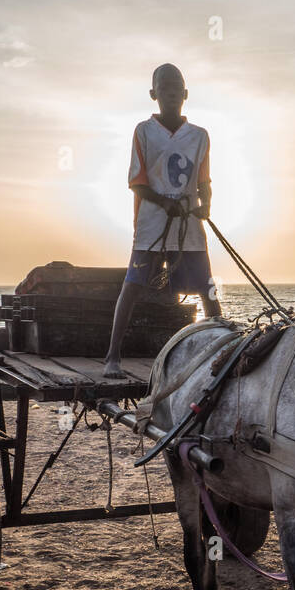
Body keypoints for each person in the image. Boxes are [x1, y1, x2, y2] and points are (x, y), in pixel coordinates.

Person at [105, 63, 219, 378]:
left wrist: (205, 203)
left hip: (188, 222)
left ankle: (224, 350)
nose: (170, 92)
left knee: (206, 285)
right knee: (133, 285)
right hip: (152, 223)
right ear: (154, 94)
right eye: (164, 87)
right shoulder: (144, 131)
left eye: (175, 87)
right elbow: (137, 182)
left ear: (185, 94)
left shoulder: (200, 136)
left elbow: (204, 179)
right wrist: (163, 202)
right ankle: (113, 355)